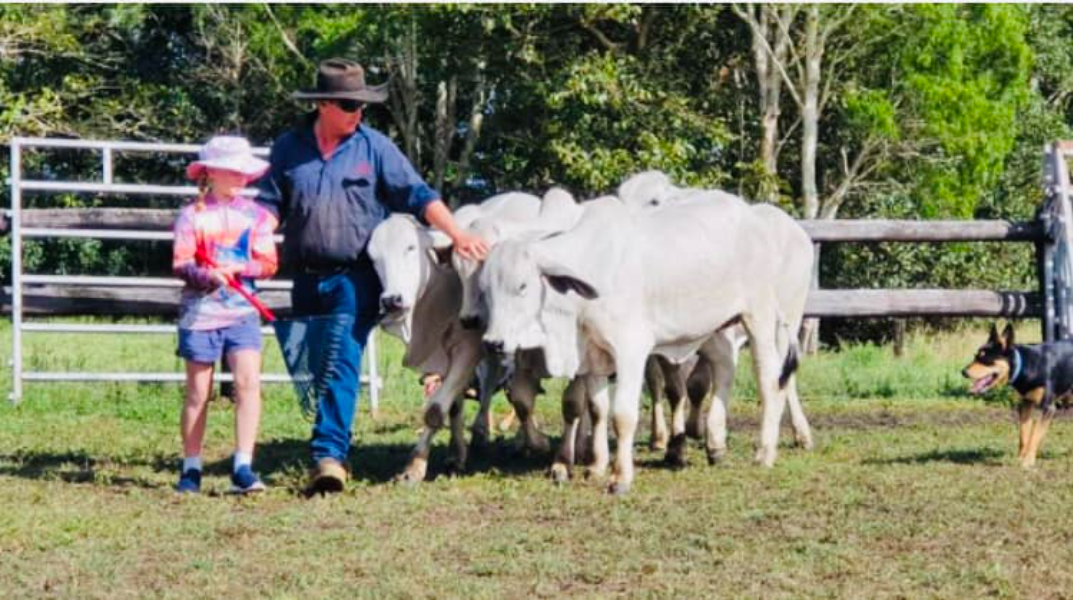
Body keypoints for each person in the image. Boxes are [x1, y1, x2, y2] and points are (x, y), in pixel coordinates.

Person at [257, 58, 488, 495]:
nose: (357, 112)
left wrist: (456, 233)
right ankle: (329, 441)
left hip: (355, 277)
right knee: (313, 363)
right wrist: (257, 235)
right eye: (349, 104)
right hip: (305, 278)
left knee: (341, 360)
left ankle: (329, 457)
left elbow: (418, 194)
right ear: (323, 104)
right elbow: (270, 203)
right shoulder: (289, 148)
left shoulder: (374, 148)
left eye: (362, 105)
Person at [173, 135, 279, 494]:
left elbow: (268, 263)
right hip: (200, 313)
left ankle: (243, 464)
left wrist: (238, 268)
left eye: (243, 172)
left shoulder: (257, 216)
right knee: (197, 392)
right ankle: (191, 466)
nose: (240, 178)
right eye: (233, 171)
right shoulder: (191, 216)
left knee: (249, 384)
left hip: (243, 310)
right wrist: (207, 276)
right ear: (212, 172)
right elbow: (182, 262)